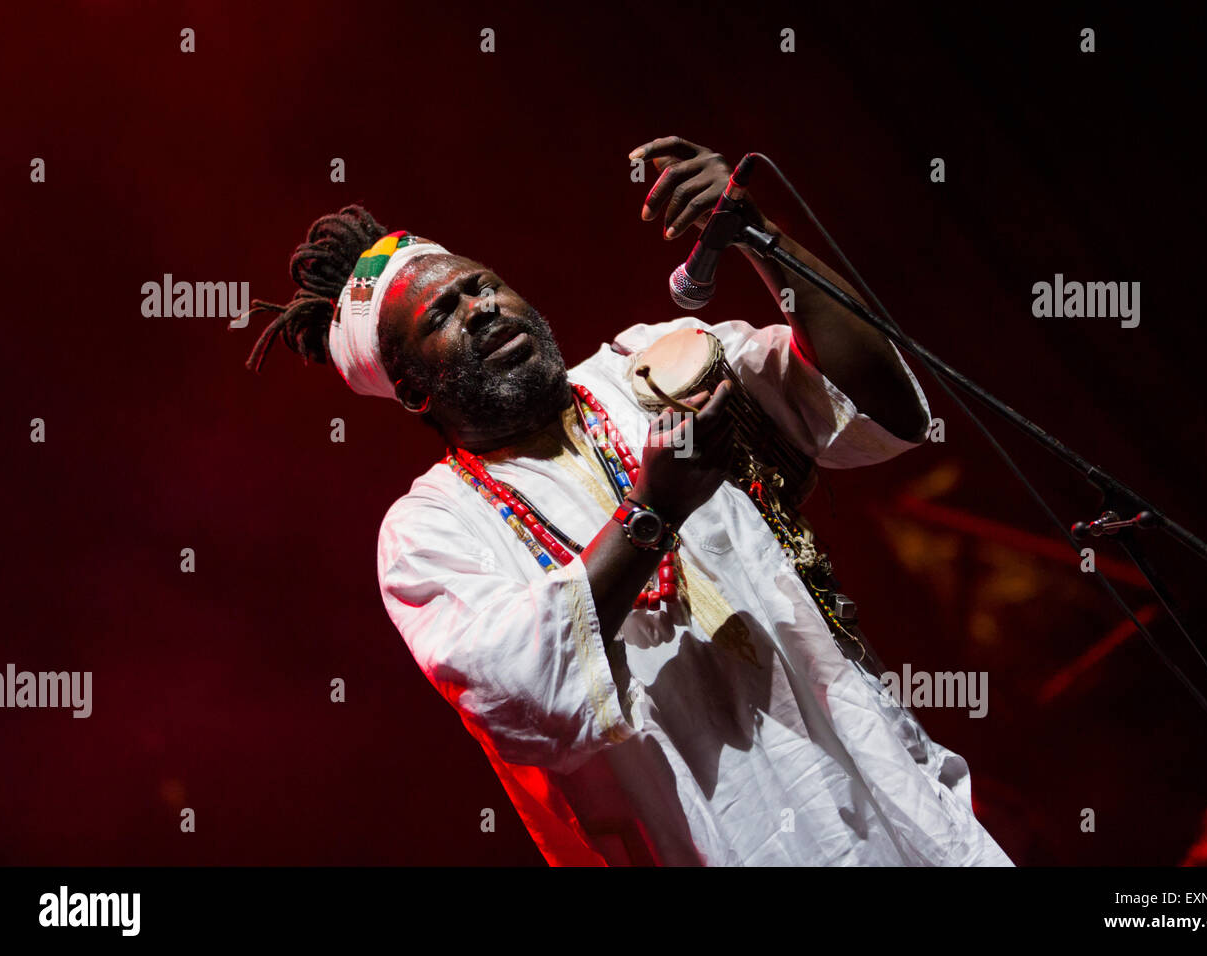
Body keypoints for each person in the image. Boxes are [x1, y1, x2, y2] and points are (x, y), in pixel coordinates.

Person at [243, 135, 1013, 866]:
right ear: (411, 388)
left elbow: (881, 407)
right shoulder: (430, 527)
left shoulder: (645, 359)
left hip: (902, 812)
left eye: (481, 285)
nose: (481, 308)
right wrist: (654, 510)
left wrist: (758, 234)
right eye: (443, 315)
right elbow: (522, 690)